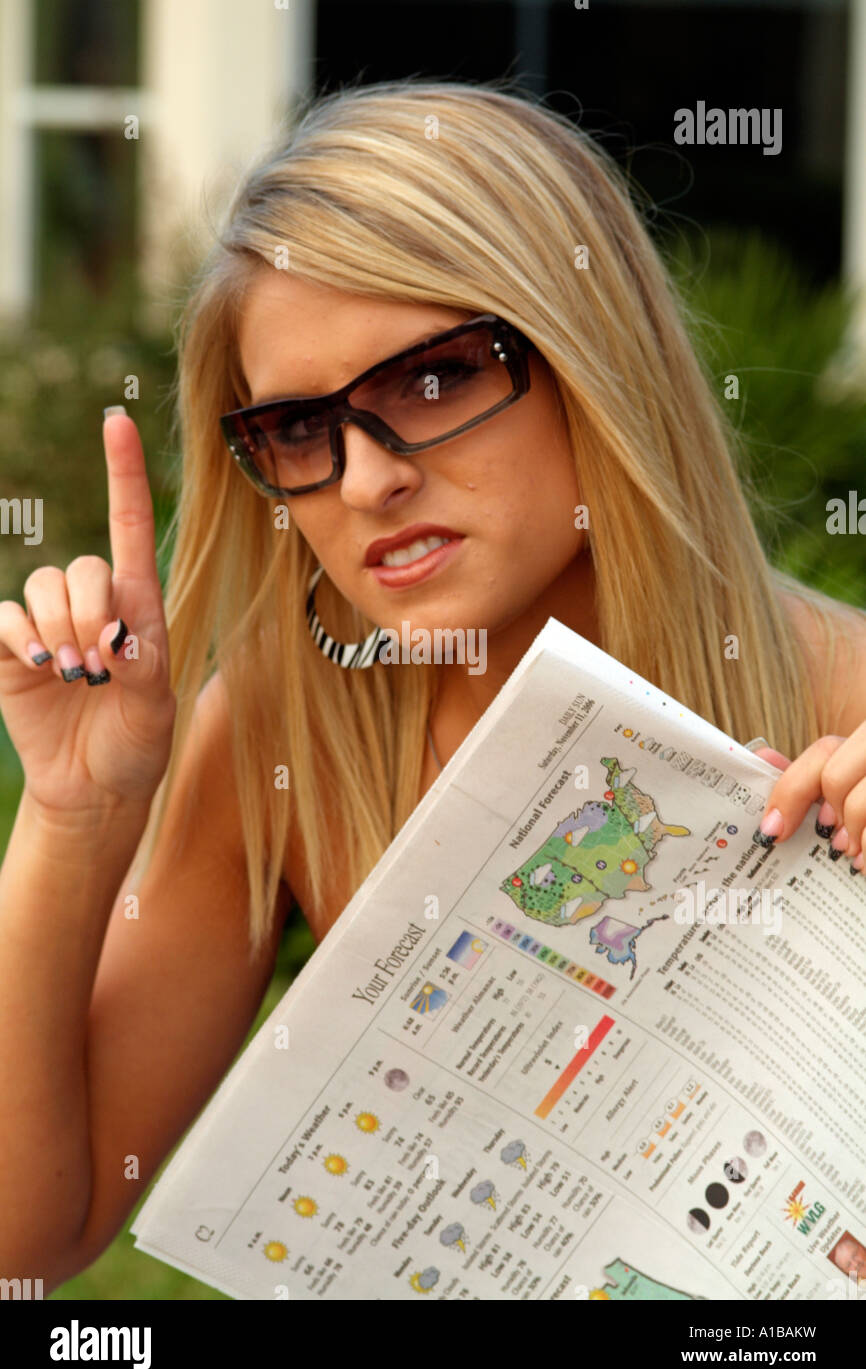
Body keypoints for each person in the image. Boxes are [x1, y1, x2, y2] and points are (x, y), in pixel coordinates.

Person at [0, 78, 864, 1295]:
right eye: (301, 429)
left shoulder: (844, 690)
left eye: (431, 380)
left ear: (589, 358)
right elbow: (28, 1238)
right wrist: (71, 822)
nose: (365, 481)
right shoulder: (279, 729)